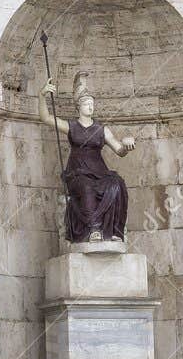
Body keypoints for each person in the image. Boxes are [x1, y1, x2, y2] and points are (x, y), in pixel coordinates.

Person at [40, 74, 136, 244]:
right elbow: (46, 118)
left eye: (92, 104)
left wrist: (127, 145)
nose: (90, 107)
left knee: (117, 185)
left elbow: (119, 149)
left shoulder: (101, 129)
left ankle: (115, 231)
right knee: (86, 186)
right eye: (87, 104)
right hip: (77, 172)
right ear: (78, 106)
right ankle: (94, 229)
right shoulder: (71, 126)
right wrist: (42, 96)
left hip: (99, 171)